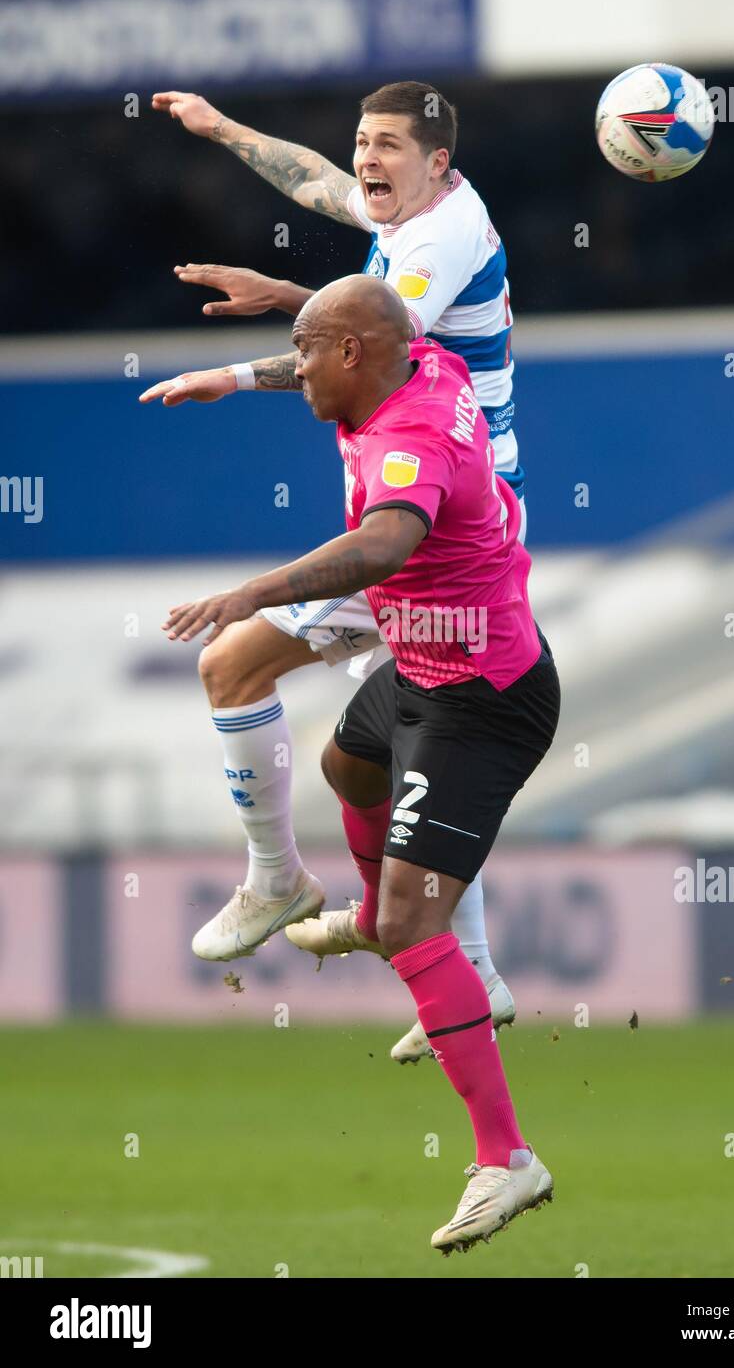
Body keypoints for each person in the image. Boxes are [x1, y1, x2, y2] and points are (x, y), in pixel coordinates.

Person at [162, 276, 560, 1252]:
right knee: (348, 769)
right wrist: (240, 365)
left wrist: (258, 589)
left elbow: (385, 542)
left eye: (304, 353)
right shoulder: (421, 356)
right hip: (425, 663)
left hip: (479, 702)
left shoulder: (407, 438)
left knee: (412, 926)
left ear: (349, 356)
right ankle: (392, 928)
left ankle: (504, 1159)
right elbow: (373, 320)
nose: (293, 369)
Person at [141, 80, 522, 1063]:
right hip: (452, 509)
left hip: (434, 519)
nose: (365, 160)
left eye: (387, 146)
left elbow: (359, 345)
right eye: (362, 141)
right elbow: (311, 184)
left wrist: (233, 372)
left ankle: (278, 877)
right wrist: (222, 126)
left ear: (437, 163)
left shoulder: (439, 242)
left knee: (230, 664)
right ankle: (469, 964)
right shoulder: (416, 211)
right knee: (406, 745)